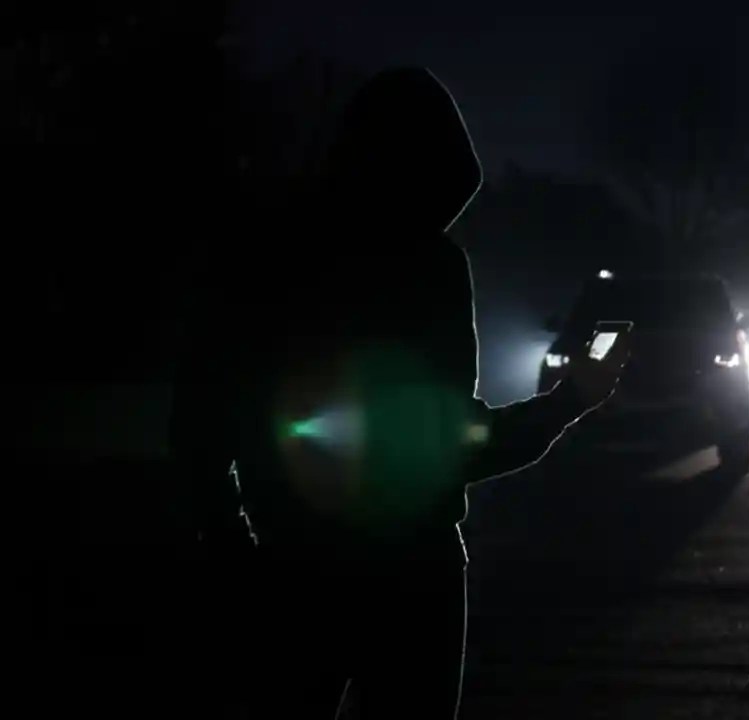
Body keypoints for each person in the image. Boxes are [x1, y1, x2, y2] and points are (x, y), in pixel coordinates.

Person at [168, 67, 628, 718]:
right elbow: (454, 444)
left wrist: (227, 542)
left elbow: (200, 420)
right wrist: (568, 402)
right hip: (411, 580)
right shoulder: (431, 268)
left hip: (297, 569)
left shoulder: (264, 257)